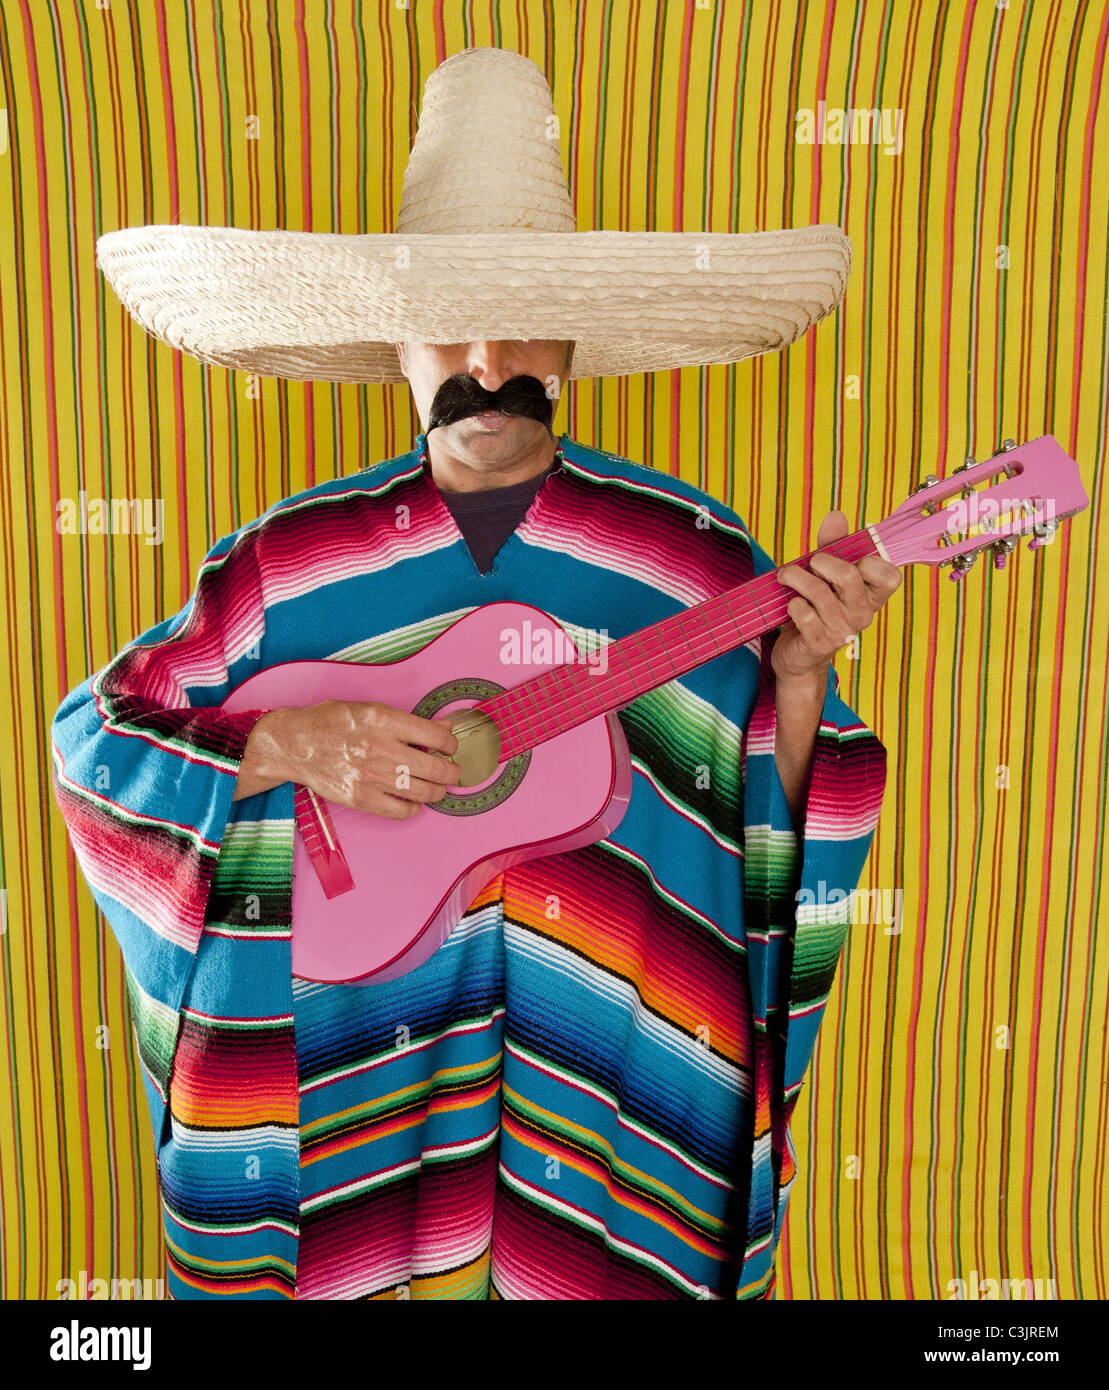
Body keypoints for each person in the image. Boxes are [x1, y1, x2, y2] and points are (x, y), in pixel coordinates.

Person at [51, 48, 901, 1300]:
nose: (487, 353)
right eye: (448, 315)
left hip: (610, 1086)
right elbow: (97, 742)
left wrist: (793, 687)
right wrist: (284, 748)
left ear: (575, 336)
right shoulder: (286, 566)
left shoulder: (688, 559)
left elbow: (766, 824)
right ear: (393, 336)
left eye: (524, 316)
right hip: (353, 1088)